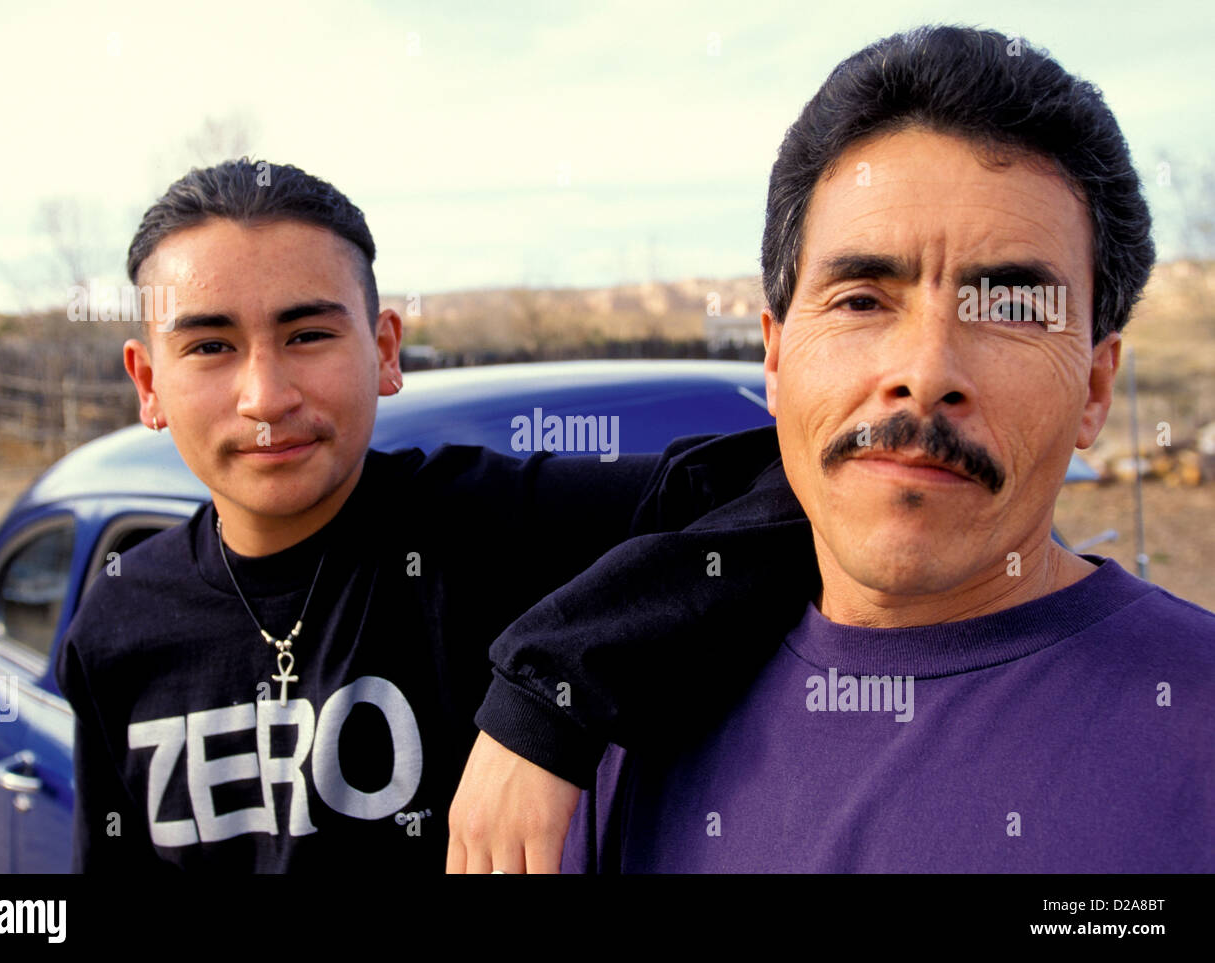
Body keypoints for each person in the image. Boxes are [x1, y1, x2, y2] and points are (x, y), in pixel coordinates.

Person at [449, 25, 1215, 873]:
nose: (925, 373)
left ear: (1096, 389)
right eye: (860, 300)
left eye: (1008, 310)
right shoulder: (608, 737)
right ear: (774, 357)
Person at [54, 159, 792, 872]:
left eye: (308, 335)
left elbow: (798, 487)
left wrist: (542, 693)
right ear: (149, 384)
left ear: (384, 351)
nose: (265, 396)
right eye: (210, 346)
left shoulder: (495, 528)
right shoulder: (117, 628)